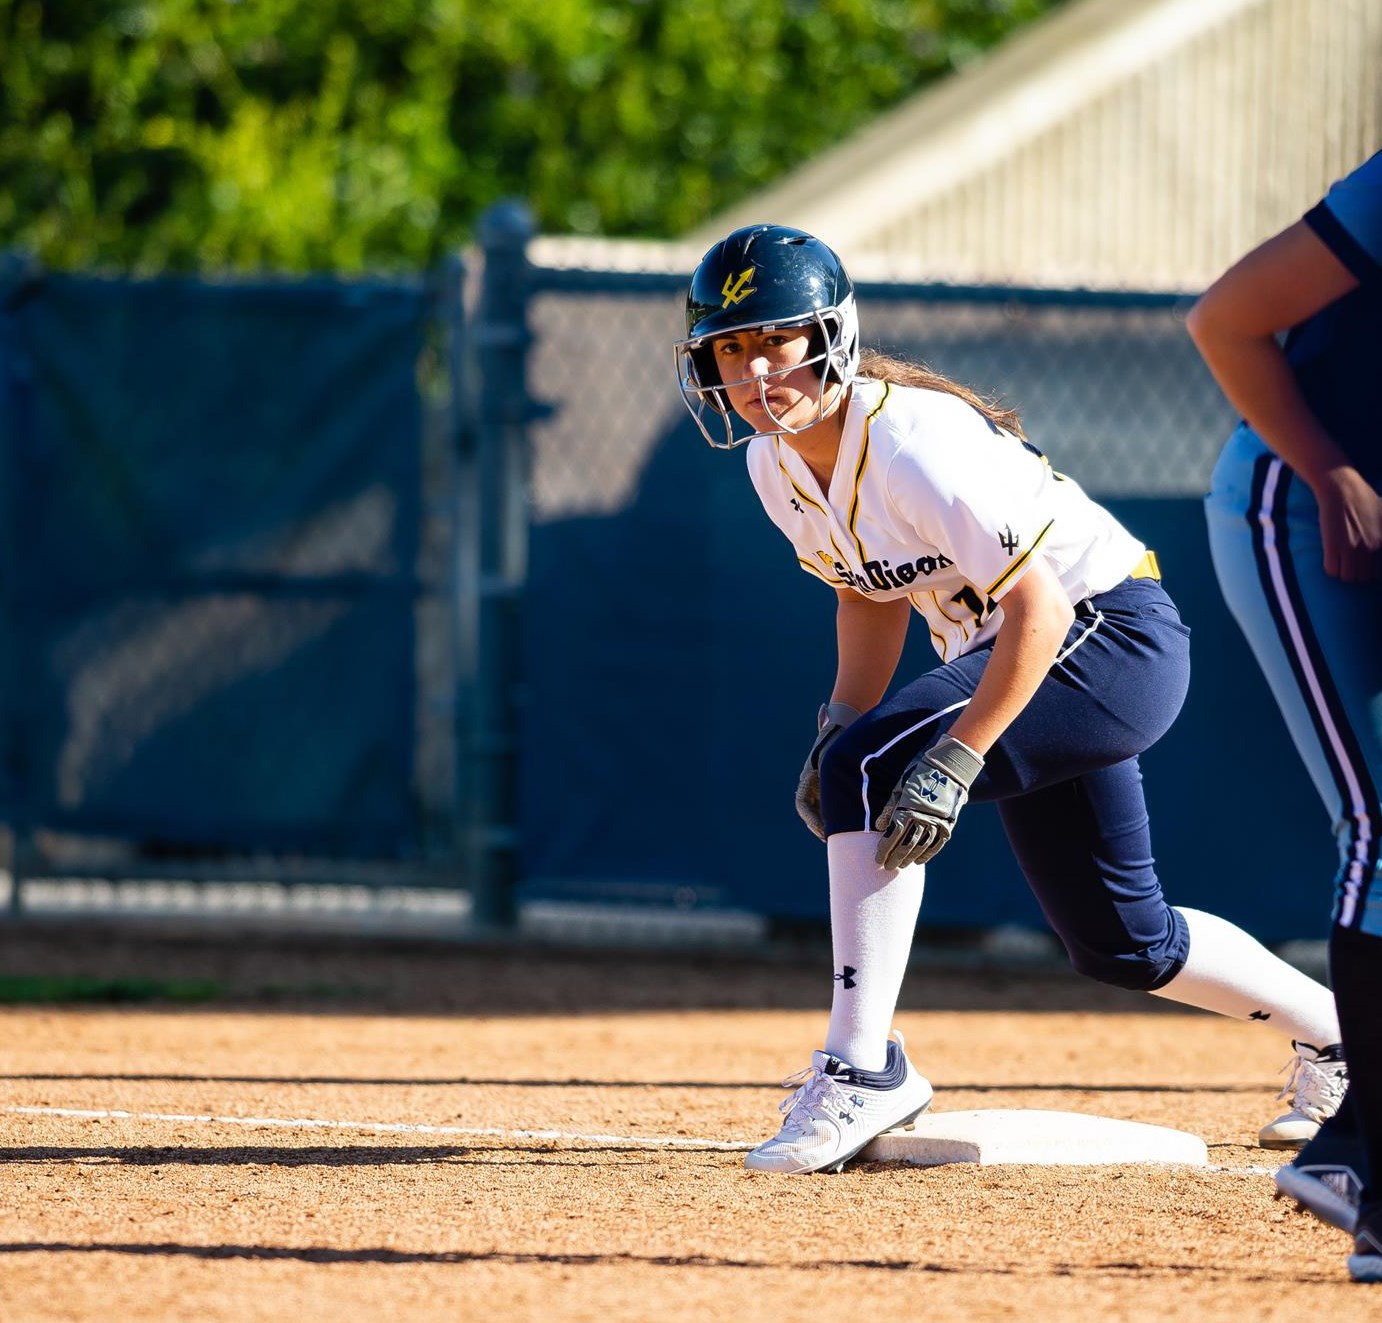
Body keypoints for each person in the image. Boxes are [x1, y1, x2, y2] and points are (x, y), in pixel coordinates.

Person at [672, 222, 1348, 1182]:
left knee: (875, 766)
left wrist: (951, 754)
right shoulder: (772, 465)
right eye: (730, 348)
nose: (752, 370)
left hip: (1109, 636)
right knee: (1122, 940)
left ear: (833, 336)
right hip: (1027, 657)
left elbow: (1044, 603)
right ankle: (1345, 1040)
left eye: (774, 339)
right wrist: (839, 725)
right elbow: (867, 588)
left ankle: (863, 1067)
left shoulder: (910, 437)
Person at [1188, 147, 1382, 1285]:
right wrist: (1328, 469)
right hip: (1296, 504)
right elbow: (1225, 321)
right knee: (1379, 828)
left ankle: (1352, 1147)